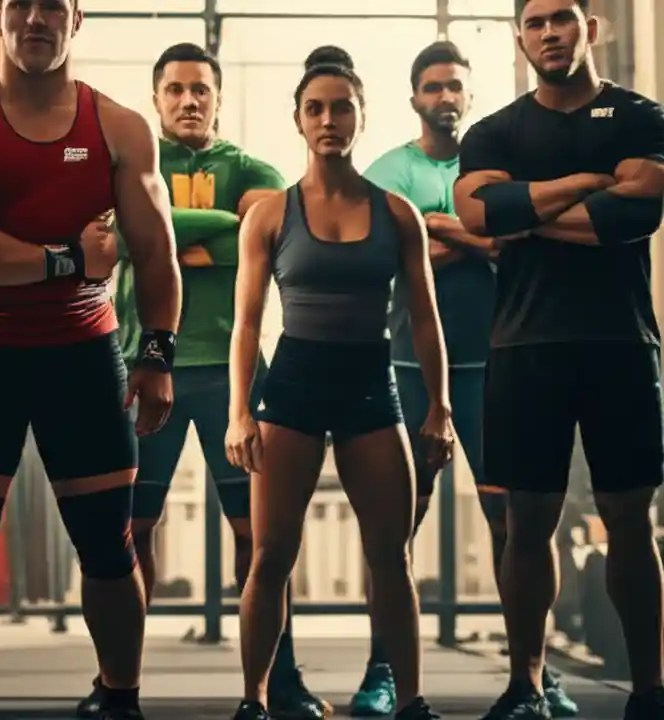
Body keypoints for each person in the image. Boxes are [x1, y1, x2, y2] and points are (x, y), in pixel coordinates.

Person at [0, 0, 183, 716]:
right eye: (21, 5)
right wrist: (66, 260)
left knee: (108, 542)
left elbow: (155, 252)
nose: (37, 18)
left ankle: (119, 699)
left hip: (81, 360)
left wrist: (157, 355)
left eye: (52, 5)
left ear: (76, 18)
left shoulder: (118, 127)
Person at [73, 41, 328, 720]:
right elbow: (114, 239)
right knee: (131, 531)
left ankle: (284, 680)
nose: (190, 101)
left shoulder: (251, 168)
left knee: (260, 537)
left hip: (231, 374)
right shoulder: (131, 165)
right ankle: (115, 683)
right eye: (176, 90)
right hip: (142, 365)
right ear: (156, 98)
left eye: (202, 90)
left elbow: (264, 233)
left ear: (218, 97)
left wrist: (157, 233)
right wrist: (214, 232)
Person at [224, 46, 452, 720]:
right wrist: (240, 411)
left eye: (342, 107)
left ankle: (410, 702)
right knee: (270, 557)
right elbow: (245, 324)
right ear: (298, 120)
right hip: (293, 385)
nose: (330, 119)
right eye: (316, 108)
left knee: (391, 556)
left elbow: (427, 320)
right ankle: (254, 702)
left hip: (368, 385)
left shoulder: (397, 213)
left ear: (361, 116)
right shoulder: (270, 214)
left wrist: (438, 409)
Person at [356, 41, 580, 718]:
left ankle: (536, 676)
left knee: (517, 525)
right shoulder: (387, 169)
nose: (444, 97)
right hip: (410, 371)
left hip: (498, 367)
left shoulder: (499, 162)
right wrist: (479, 235)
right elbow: (398, 253)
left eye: (455, 86)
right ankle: (383, 672)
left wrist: (438, 230)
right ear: (414, 98)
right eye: (432, 87)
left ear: (470, 97)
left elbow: (515, 238)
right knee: (394, 534)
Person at [453, 1, 664, 718]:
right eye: (536, 22)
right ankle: (526, 686)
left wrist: (528, 212)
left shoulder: (642, 117)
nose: (550, 33)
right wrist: (585, 184)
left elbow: (637, 213)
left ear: (591, 28)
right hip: (524, 343)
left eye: (563, 19)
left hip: (621, 341)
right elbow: (479, 215)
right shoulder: (494, 130)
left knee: (629, 515)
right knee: (527, 520)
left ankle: (649, 690)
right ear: (520, 37)